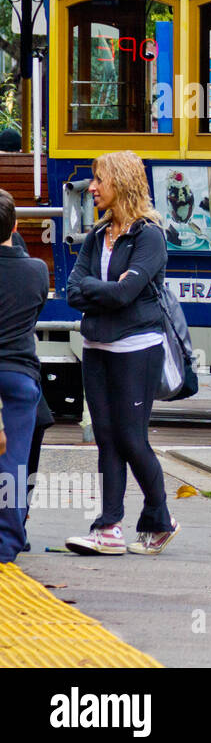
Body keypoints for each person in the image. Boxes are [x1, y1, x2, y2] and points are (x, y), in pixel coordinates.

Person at [65, 151, 178, 555]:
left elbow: (126, 293)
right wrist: (105, 293)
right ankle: (109, 528)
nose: (91, 187)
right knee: (107, 439)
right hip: (96, 347)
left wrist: (100, 291)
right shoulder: (97, 236)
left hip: (136, 348)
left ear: (122, 183)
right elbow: (72, 289)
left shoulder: (149, 236)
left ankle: (159, 519)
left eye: (98, 180)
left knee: (131, 438)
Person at [0, 190, 50, 563]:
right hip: (19, 375)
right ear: (16, 227)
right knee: (13, 461)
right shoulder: (36, 271)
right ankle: (8, 542)